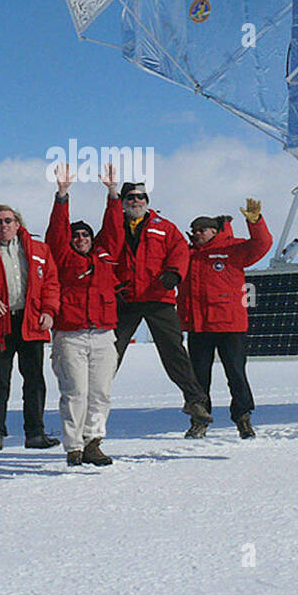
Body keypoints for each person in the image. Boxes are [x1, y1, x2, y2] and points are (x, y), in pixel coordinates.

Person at [111, 181, 214, 437]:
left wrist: (174, 273)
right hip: (126, 299)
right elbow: (105, 256)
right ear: (122, 201)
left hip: (159, 297)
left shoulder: (164, 227)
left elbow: (180, 252)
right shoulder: (113, 227)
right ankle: (91, 405)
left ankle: (196, 402)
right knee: (109, 353)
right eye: (131, 197)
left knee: (173, 352)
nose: (136, 201)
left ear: (147, 200)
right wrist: (113, 287)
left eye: (141, 197)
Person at [46, 163, 124, 466]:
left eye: (85, 234)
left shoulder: (106, 256)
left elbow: (115, 229)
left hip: (104, 334)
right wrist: (63, 195)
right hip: (71, 335)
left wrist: (112, 193)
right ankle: (73, 446)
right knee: (75, 392)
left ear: (93, 238)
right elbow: (56, 232)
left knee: (101, 393)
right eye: (75, 235)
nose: (79, 238)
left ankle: (94, 442)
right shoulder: (63, 258)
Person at [179, 199, 273, 438]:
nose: (198, 233)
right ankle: (199, 420)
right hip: (199, 326)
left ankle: (243, 418)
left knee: (236, 374)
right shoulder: (187, 254)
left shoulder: (233, 249)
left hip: (231, 325)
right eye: (195, 230)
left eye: (203, 229)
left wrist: (255, 222)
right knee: (198, 377)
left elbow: (262, 244)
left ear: (214, 231)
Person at [0, 204, 61, 453]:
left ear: (18, 223)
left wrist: (49, 311)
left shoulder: (39, 250)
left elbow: (51, 283)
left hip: (30, 321)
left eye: (8, 220)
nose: (4, 225)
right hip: (0, 323)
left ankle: (35, 433)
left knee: (34, 379)